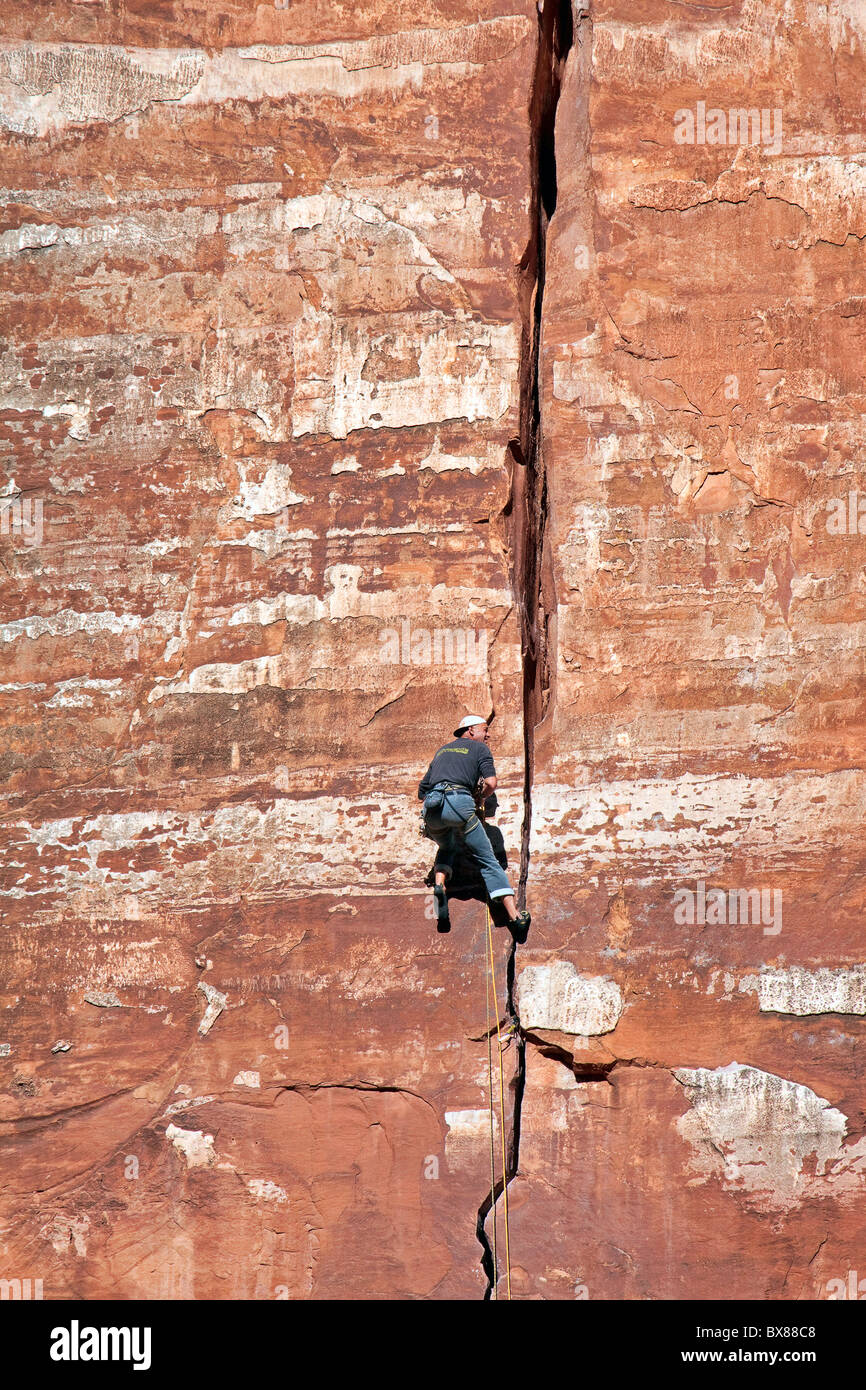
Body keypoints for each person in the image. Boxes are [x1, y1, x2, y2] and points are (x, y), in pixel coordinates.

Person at [418, 714, 531, 940]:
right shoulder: (480, 750)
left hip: (433, 808)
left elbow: (422, 790)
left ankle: (440, 885)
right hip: (459, 804)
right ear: (470, 731)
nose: (488, 735)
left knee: (447, 846)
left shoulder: (442, 751)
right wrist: (479, 797)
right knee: (487, 859)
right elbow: (491, 783)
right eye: (484, 729)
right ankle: (515, 917)